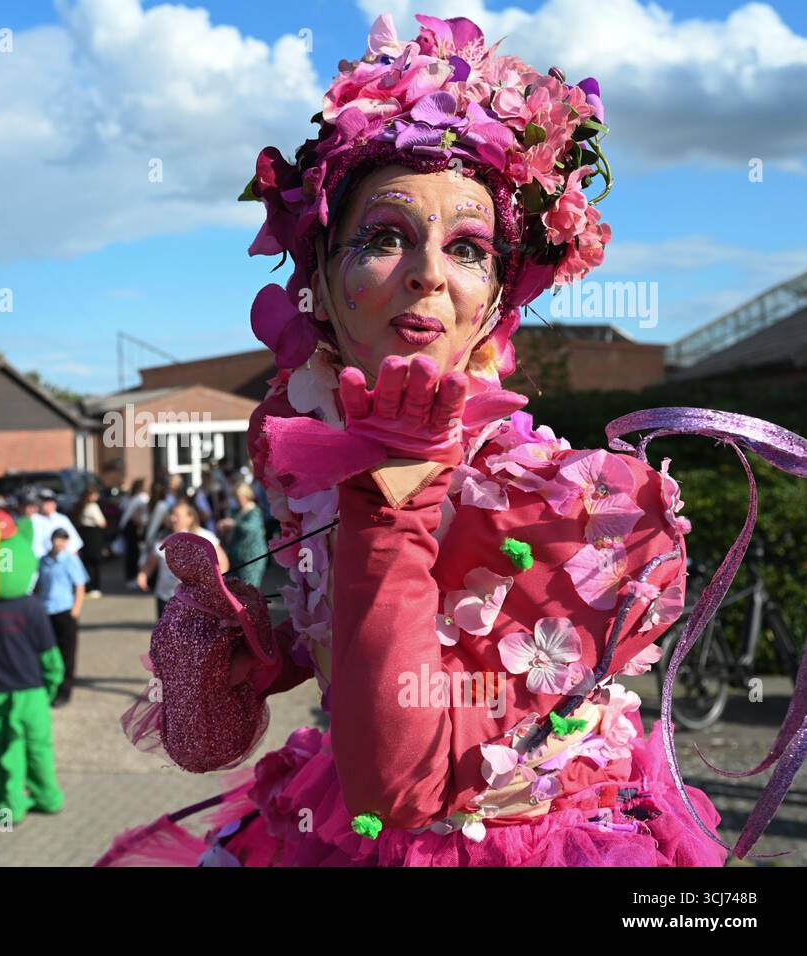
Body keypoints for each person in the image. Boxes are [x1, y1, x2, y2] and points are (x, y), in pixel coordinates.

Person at [97, 11, 807, 868]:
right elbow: (361, 649)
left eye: (467, 247)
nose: (428, 271)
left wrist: (389, 497)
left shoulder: (602, 513)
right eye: (386, 236)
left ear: (496, 302)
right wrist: (277, 647)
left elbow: (401, 781)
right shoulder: (299, 456)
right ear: (320, 280)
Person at [0, 508, 66, 825]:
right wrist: (50, 687)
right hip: (31, 691)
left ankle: (9, 806)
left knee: (1, 752)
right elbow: (50, 656)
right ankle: (47, 797)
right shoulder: (33, 608)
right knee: (38, 748)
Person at [136, 500, 228, 620]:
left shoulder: (205, 536)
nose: (172, 518)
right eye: (171, 514)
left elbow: (223, 562)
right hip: (165, 597)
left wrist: (213, 584)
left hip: (195, 599)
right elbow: (151, 562)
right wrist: (143, 575)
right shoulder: (163, 537)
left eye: (177, 515)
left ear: (190, 517)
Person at [35, 528, 88, 707]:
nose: (60, 543)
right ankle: (49, 686)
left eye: (64, 540)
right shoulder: (43, 561)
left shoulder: (70, 560)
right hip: (46, 610)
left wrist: (75, 610)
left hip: (65, 611)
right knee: (48, 651)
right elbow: (38, 585)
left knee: (67, 653)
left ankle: (64, 690)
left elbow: (80, 586)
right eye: (58, 539)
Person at [220, 481, 268, 589]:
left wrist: (233, 524)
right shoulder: (238, 511)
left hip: (251, 557)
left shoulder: (254, 511)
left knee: (248, 588)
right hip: (237, 557)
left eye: (239, 497)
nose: (237, 500)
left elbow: (251, 528)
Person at [72, 486, 107, 597]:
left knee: (86, 562)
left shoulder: (81, 506)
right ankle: (95, 587)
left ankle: (87, 586)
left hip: (84, 535)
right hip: (93, 535)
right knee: (95, 562)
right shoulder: (93, 506)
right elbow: (102, 522)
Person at [117, 478, 149, 589]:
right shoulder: (142, 498)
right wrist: (142, 524)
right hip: (132, 527)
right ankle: (132, 579)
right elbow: (136, 515)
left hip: (127, 527)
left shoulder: (132, 497)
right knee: (133, 553)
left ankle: (130, 578)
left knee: (131, 553)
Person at [30, 488, 82, 558]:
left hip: (64, 560)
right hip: (42, 561)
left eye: (51, 501)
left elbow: (75, 544)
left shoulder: (62, 519)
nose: (49, 504)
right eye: (45, 501)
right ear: (38, 503)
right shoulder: (32, 520)